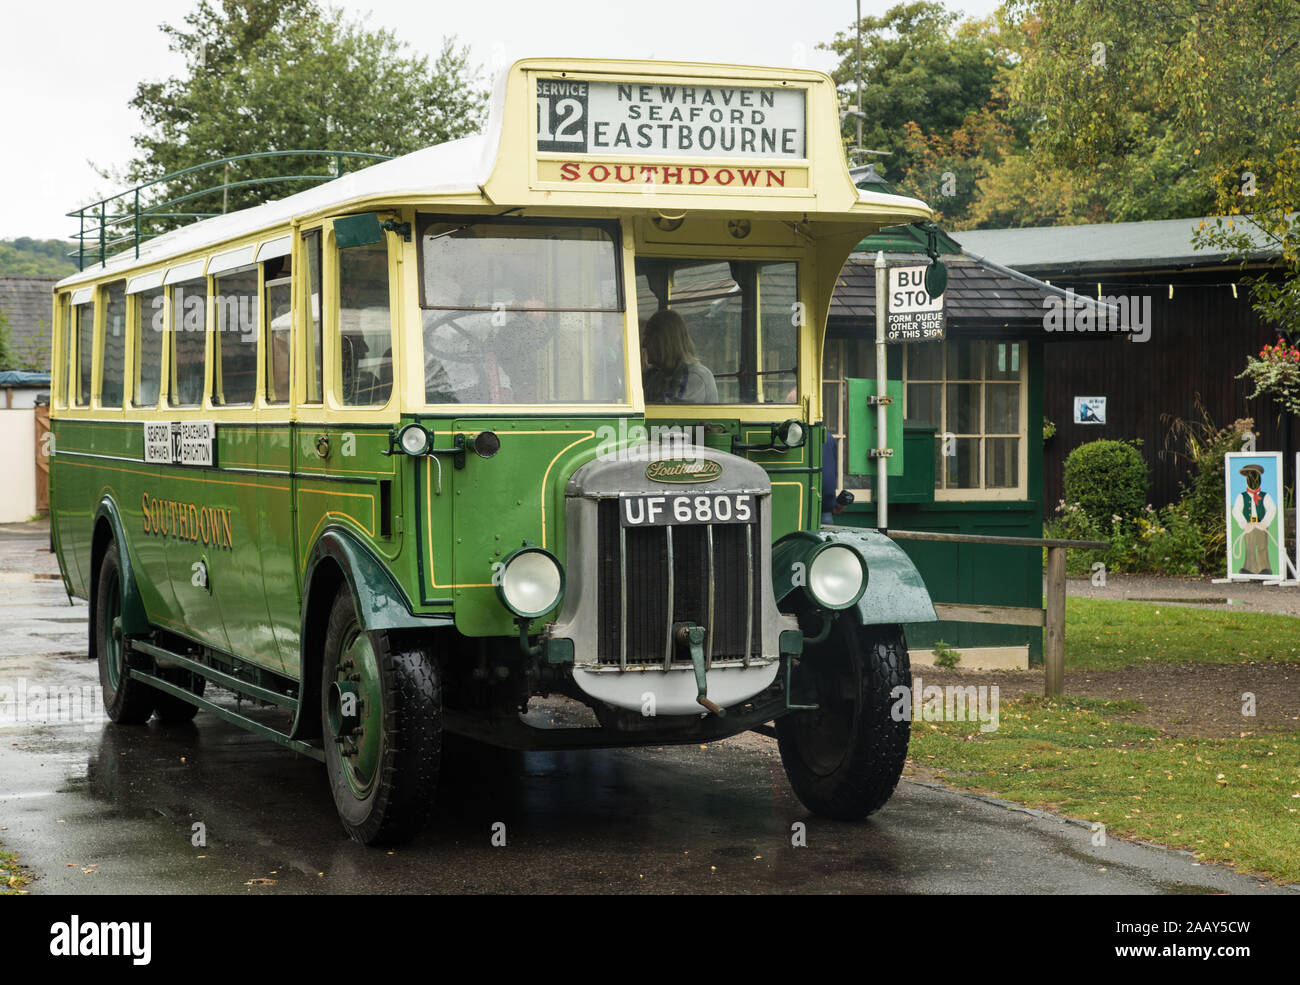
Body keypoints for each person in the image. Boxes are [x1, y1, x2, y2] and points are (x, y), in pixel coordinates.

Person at [641, 308, 718, 404]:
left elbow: (668, 414)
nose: (644, 344)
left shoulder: (695, 377)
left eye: (648, 338)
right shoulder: (657, 376)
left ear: (663, 342)